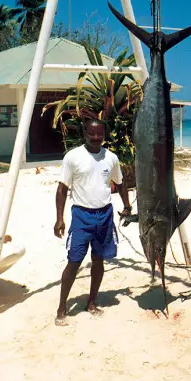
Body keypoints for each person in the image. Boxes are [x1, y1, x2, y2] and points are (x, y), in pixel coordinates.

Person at [54, 118, 132, 326]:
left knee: (99, 260)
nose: (96, 138)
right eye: (92, 133)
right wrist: (59, 219)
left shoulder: (111, 157)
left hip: (105, 215)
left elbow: (121, 183)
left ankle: (91, 302)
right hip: (81, 216)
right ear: (84, 134)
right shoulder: (73, 157)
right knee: (74, 261)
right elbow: (62, 189)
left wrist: (127, 207)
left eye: (100, 134)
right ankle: (62, 307)